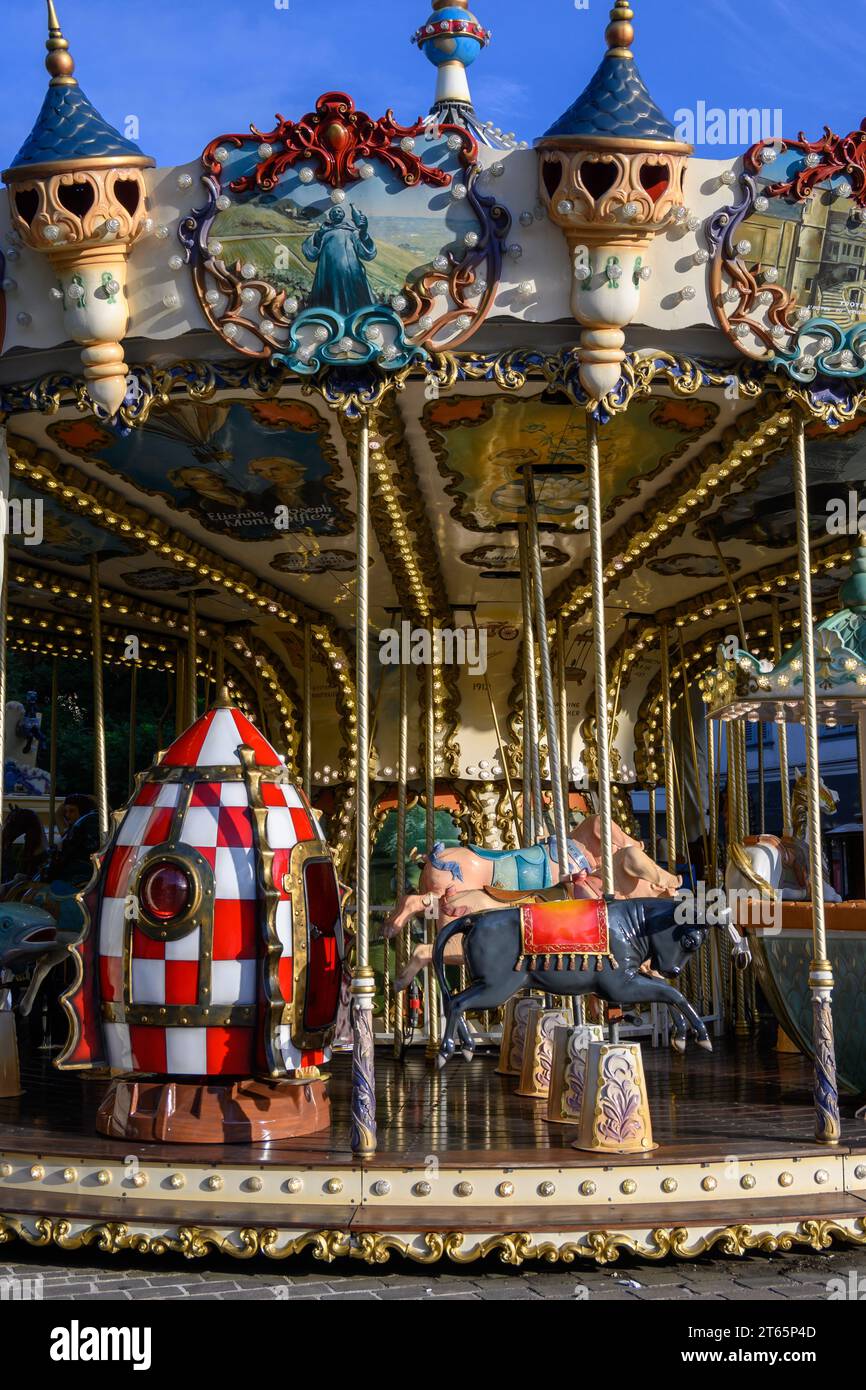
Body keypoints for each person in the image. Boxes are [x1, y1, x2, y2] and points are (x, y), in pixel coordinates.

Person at [302, 205, 377, 316]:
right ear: (330, 216)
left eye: (339, 211)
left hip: (351, 274)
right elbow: (310, 253)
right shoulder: (323, 232)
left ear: (343, 215)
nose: (337, 213)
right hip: (328, 274)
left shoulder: (353, 232)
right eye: (334, 211)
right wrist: (319, 235)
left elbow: (368, 253)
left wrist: (364, 233)